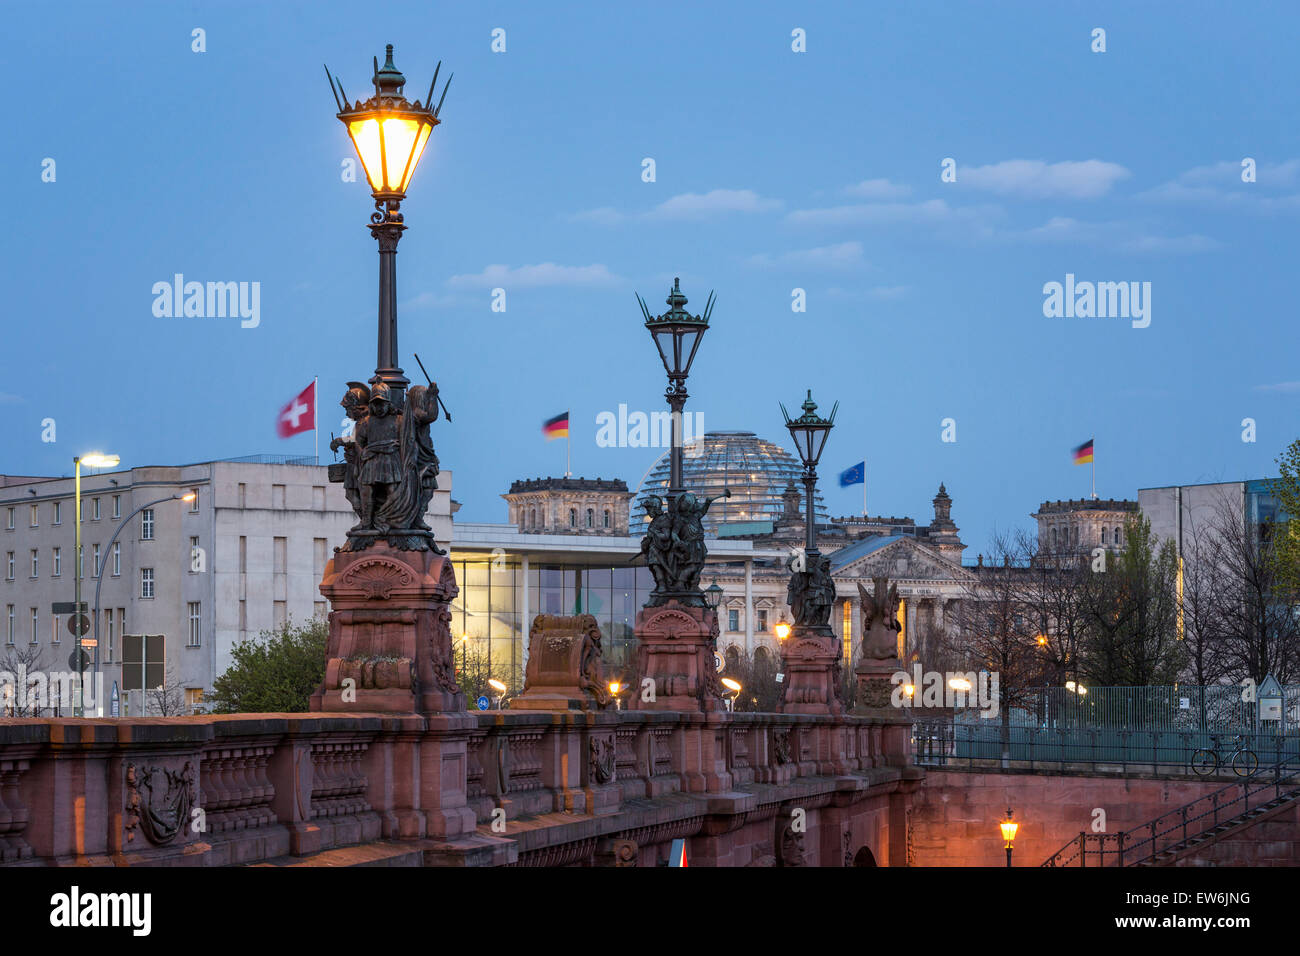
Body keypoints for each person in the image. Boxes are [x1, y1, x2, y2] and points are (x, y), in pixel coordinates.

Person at [355, 382, 402, 531]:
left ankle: (390, 518)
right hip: (372, 460)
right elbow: (359, 441)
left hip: (390, 460)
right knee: (366, 489)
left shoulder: (398, 420)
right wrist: (363, 453)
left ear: (388, 403)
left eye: (381, 404)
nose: (379, 407)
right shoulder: (367, 422)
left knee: (393, 491)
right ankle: (367, 520)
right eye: (375, 404)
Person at [330, 382, 369, 524]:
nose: (347, 413)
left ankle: (366, 520)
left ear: (356, 407)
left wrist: (341, 441)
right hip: (354, 464)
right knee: (351, 494)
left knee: (358, 494)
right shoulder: (359, 422)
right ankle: (365, 520)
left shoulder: (366, 421)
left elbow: (359, 440)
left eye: (348, 409)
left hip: (362, 466)